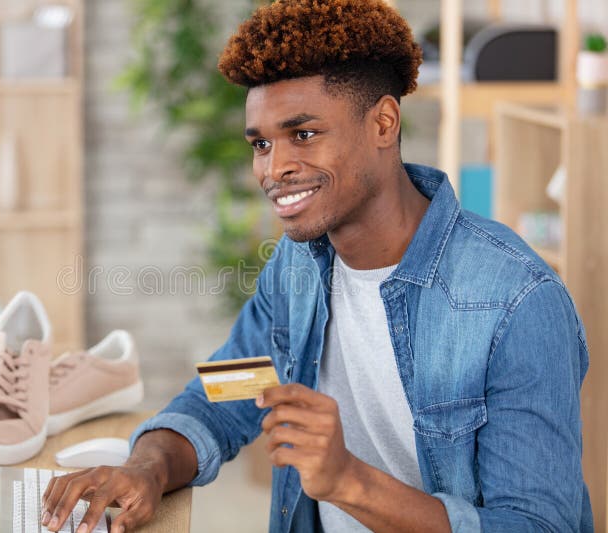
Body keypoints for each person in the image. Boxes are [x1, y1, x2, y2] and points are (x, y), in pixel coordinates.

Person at [41, 0, 593, 531]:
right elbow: (224, 392)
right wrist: (147, 468)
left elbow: (538, 525)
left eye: (303, 135)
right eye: (261, 144)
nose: (274, 169)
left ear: (383, 124)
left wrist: (348, 480)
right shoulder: (300, 266)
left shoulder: (516, 301)